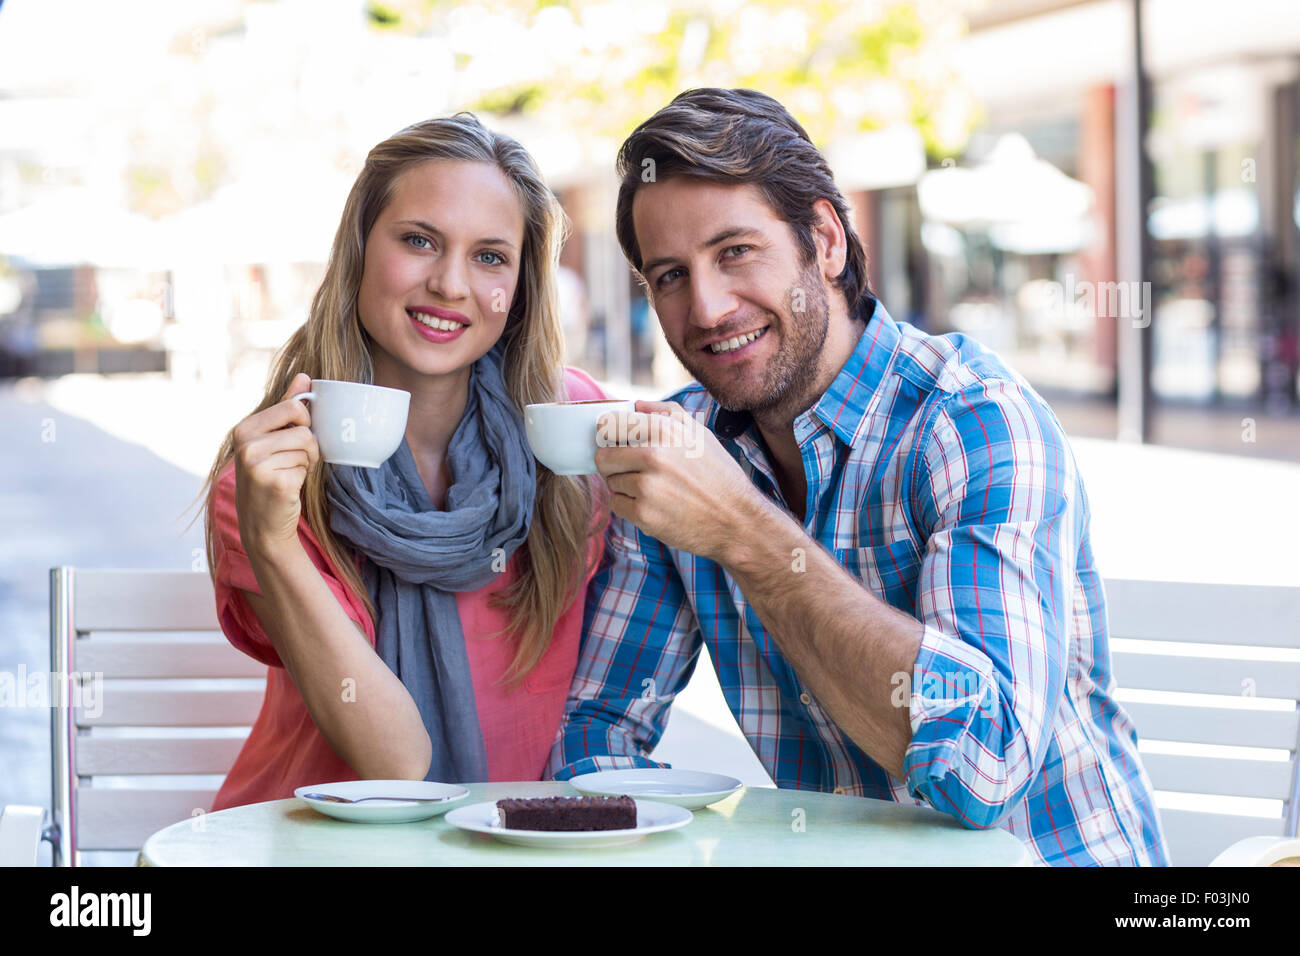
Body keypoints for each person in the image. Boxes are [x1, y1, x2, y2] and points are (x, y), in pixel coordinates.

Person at [545, 88, 1169, 867]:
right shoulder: (682, 448)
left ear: (827, 241)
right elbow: (594, 735)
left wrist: (743, 531)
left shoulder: (971, 419)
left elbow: (986, 769)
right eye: (670, 275)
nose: (705, 308)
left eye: (736, 251)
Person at [199, 114, 608, 809]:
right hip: (317, 852)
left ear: (521, 288)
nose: (451, 284)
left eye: (490, 257)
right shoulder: (272, 472)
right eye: (419, 241)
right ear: (359, 249)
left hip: (519, 849)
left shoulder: (568, 431)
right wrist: (272, 543)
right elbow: (397, 761)